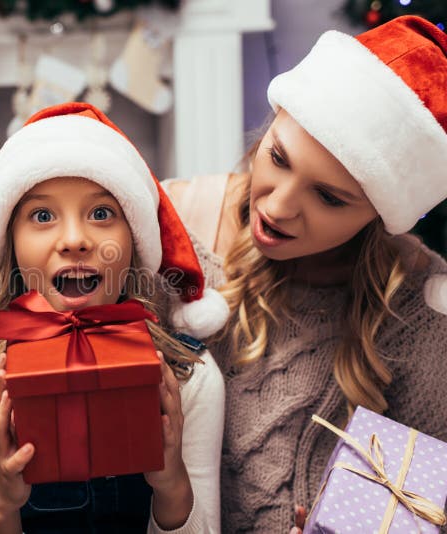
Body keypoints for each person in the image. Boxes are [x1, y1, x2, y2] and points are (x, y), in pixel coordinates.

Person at [160, 15, 447, 532]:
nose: (278, 205)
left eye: (330, 197)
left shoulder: (421, 309)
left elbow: (425, 505)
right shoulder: (181, 220)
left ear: (379, 215)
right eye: (278, 157)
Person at [0, 102, 228, 534]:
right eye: (43, 215)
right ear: (10, 244)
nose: (74, 240)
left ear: (133, 240)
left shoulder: (189, 379)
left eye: (101, 213)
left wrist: (171, 486)